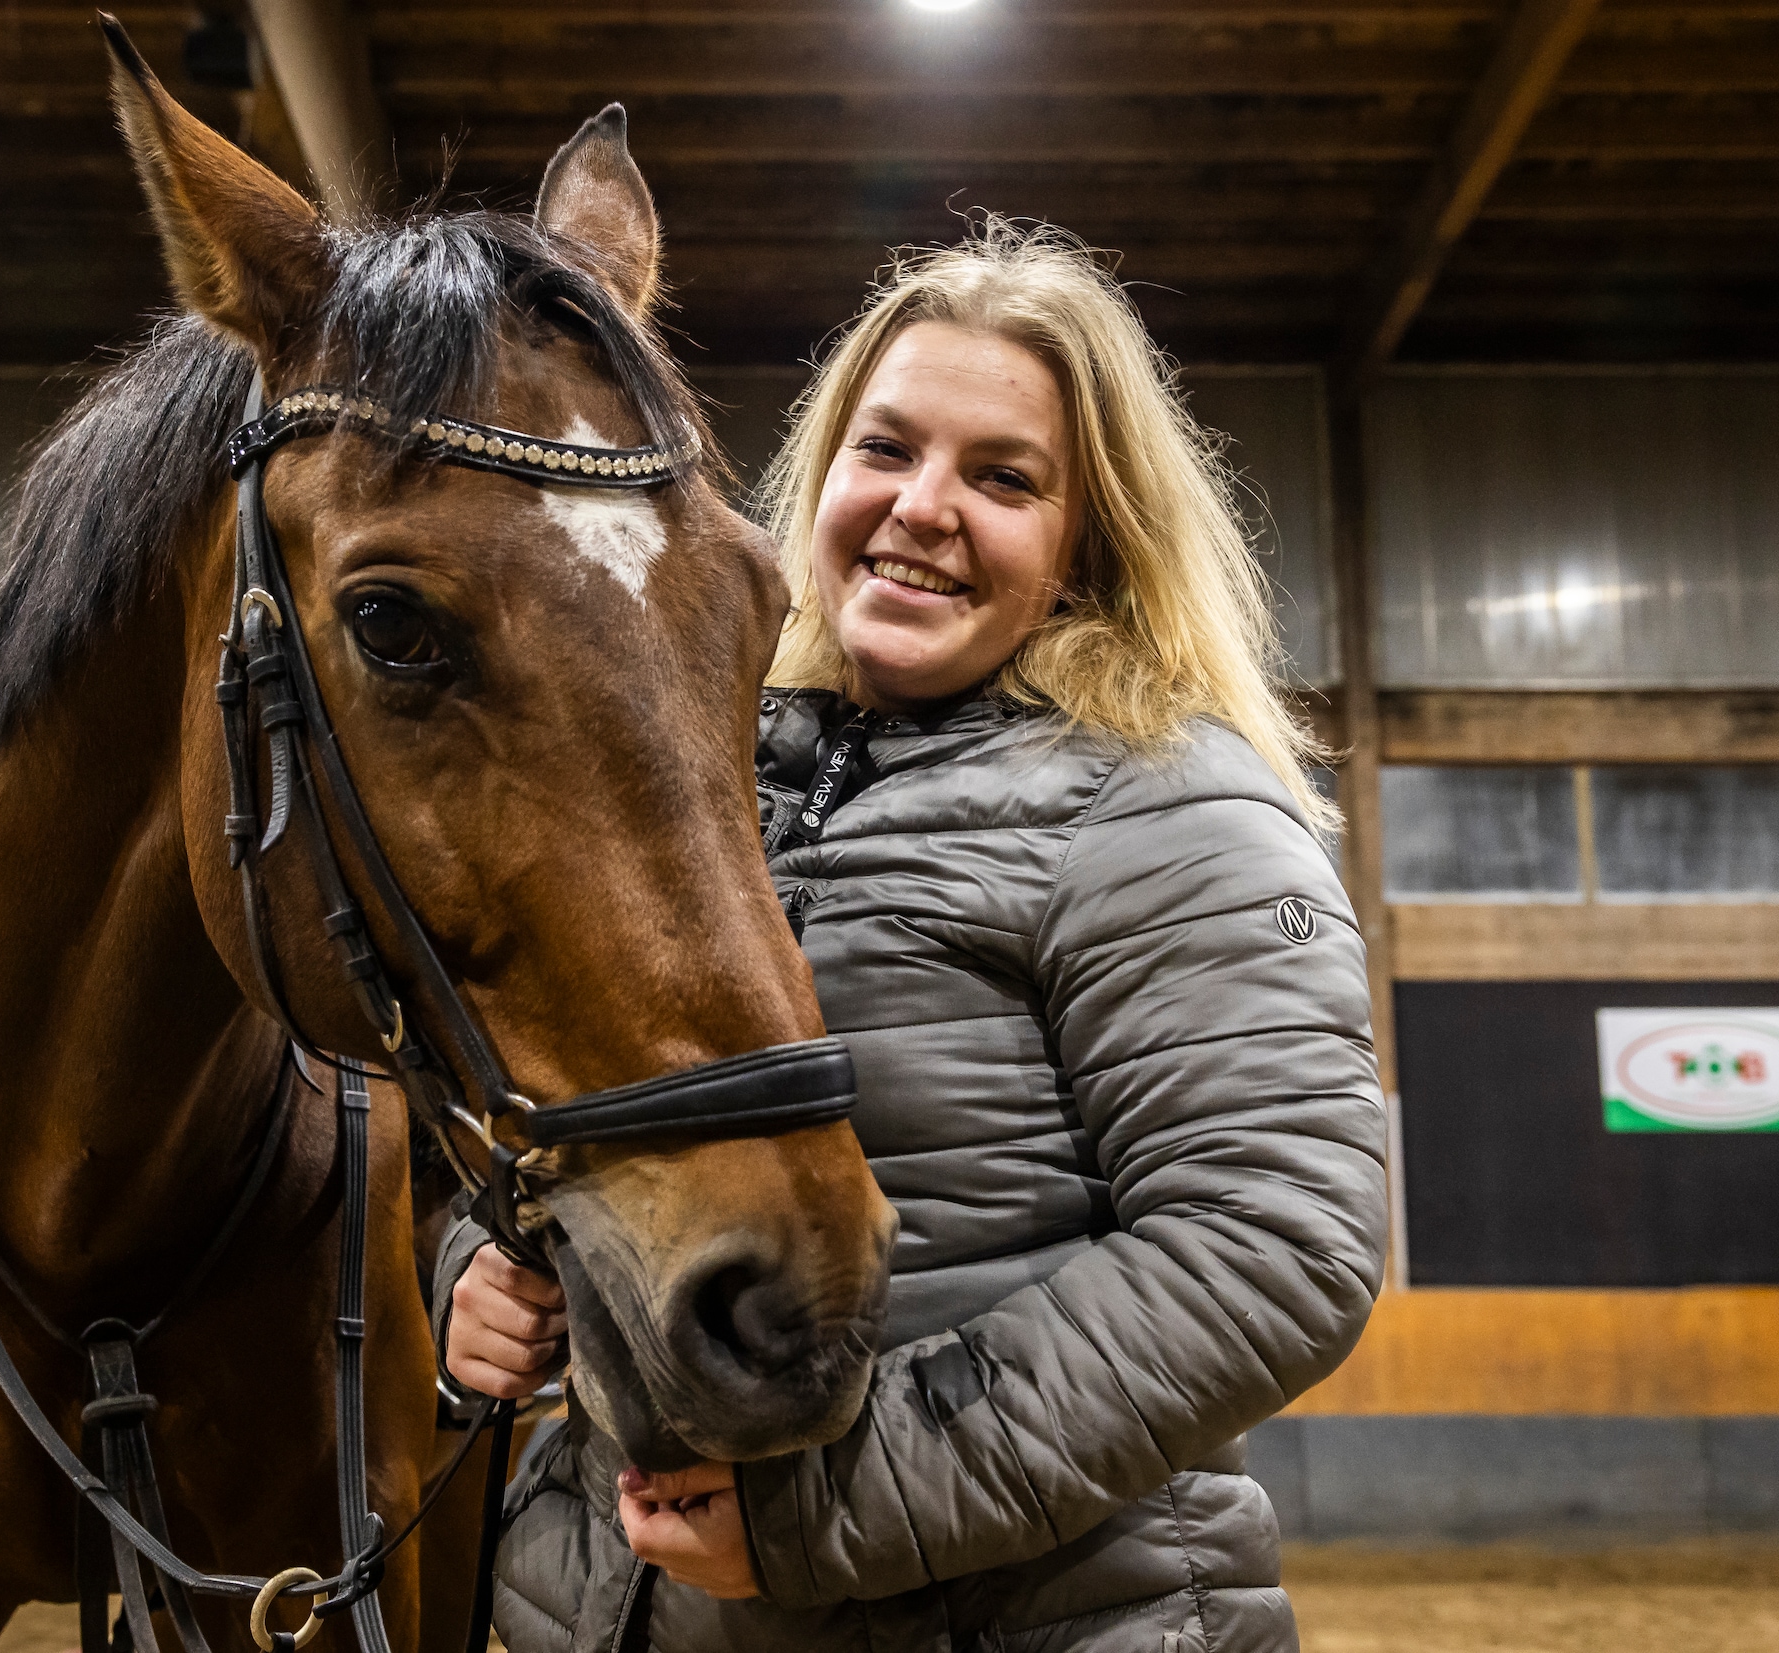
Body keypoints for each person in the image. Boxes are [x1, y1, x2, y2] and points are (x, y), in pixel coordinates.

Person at [437, 221, 1388, 1653]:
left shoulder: (1169, 799)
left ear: (1089, 541)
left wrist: (824, 1512)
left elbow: (1270, 1241)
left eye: (1002, 477)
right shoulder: (706, 781)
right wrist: (475, 1269)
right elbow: (575, 1110)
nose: (922, 506)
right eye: (885, 450)